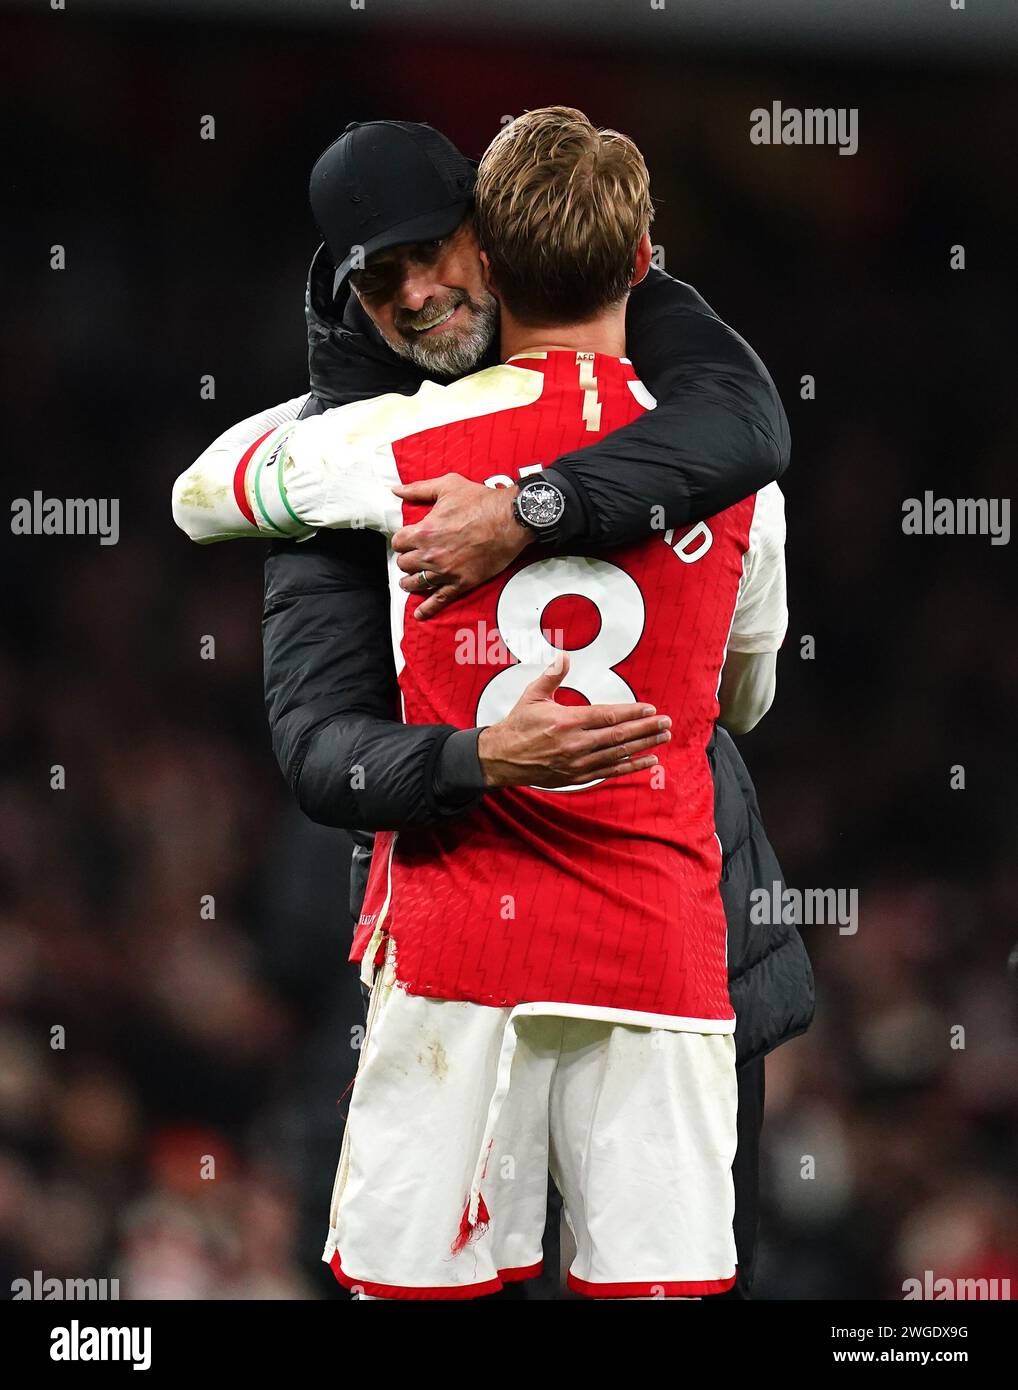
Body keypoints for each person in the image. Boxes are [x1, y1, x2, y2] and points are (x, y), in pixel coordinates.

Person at [173, 115, 813, 1297]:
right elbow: (322, 752)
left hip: (490, 938)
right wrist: (479, 753)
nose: (417, 294)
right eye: (378, 281)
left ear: (499, 237)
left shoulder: (375, 458)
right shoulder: (719, 461)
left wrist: (525, 507)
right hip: (649, 925)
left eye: (435, 252)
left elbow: (200, 494)